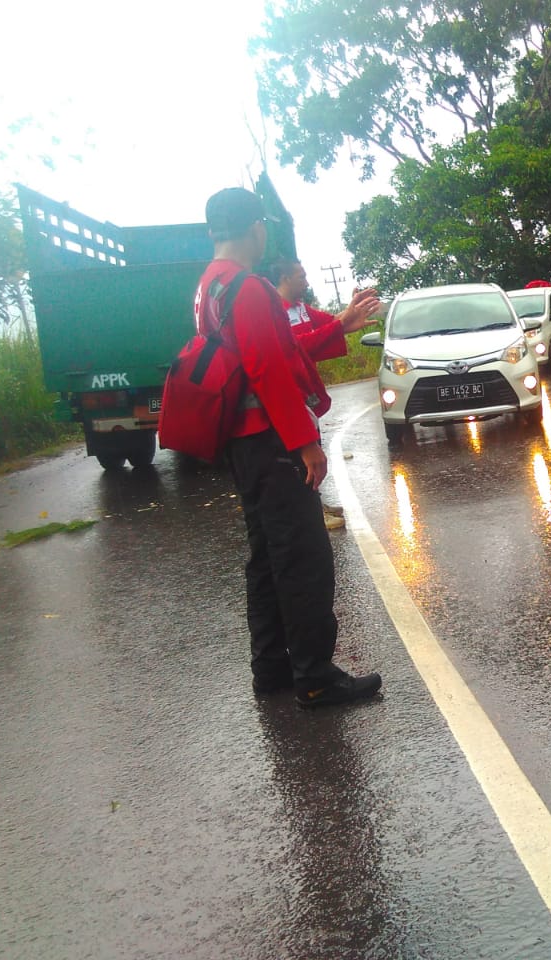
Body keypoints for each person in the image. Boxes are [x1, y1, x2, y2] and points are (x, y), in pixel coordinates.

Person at [198, 186, 383, 708]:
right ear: (255, 227)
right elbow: (269, 370)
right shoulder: (249, 287)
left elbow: (273, 348)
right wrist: (305, 443)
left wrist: (339, 326)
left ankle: (273, 669)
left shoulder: (209, 288)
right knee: (303, 558)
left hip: (244, 445)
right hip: (273, 442)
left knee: (267, 557)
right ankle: (317, 675)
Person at [267, 257, 379, 530]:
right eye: (301, 276)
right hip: (291, 392)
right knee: (303, 452)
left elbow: (330, 323)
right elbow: (298, 344)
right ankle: (311, 511)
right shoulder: (275, 311)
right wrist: (340, 325)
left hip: (307, 389)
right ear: (285, 279)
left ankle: (315, 501)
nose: (306, 281)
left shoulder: (300, 309)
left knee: (314, 442)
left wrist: (351, 313)